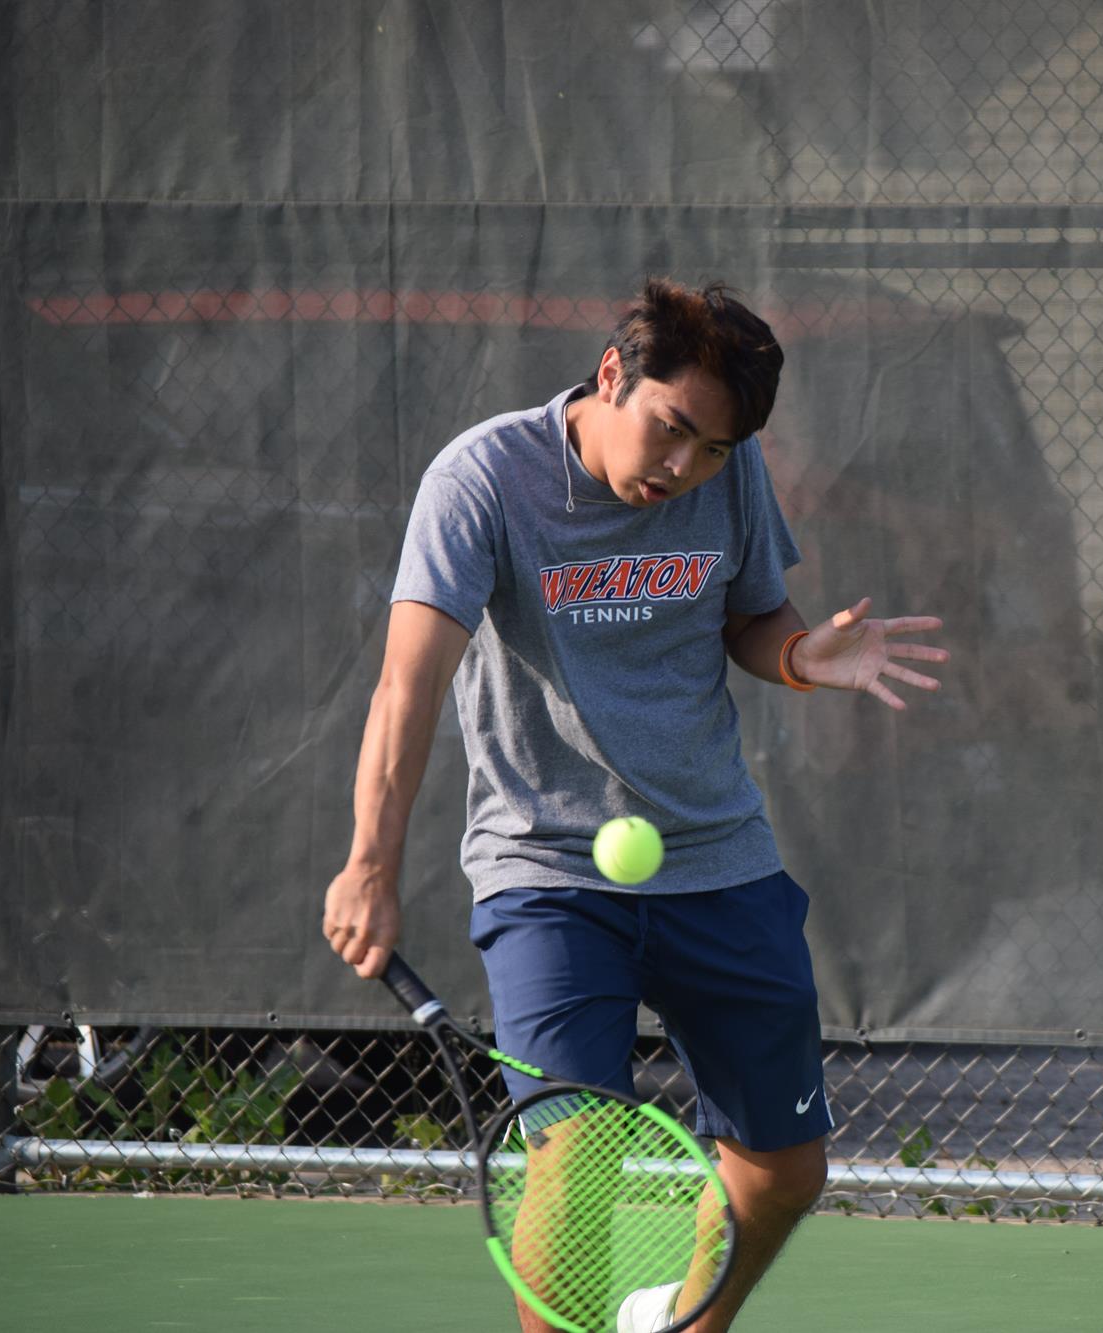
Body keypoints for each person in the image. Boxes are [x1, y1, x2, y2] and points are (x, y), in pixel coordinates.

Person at [322, 277, 949, 1332]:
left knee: (786, 1169)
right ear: (612, 374)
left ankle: (683, 1325)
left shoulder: (729, 470)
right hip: (547, 871)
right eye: (672, 431)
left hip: (718, 855)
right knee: (577, 1160)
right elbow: (408, 681)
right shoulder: (482, 478)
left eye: (711, 448)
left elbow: (755, 619)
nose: (684, 466)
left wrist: (802, 658)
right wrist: (370, 862)